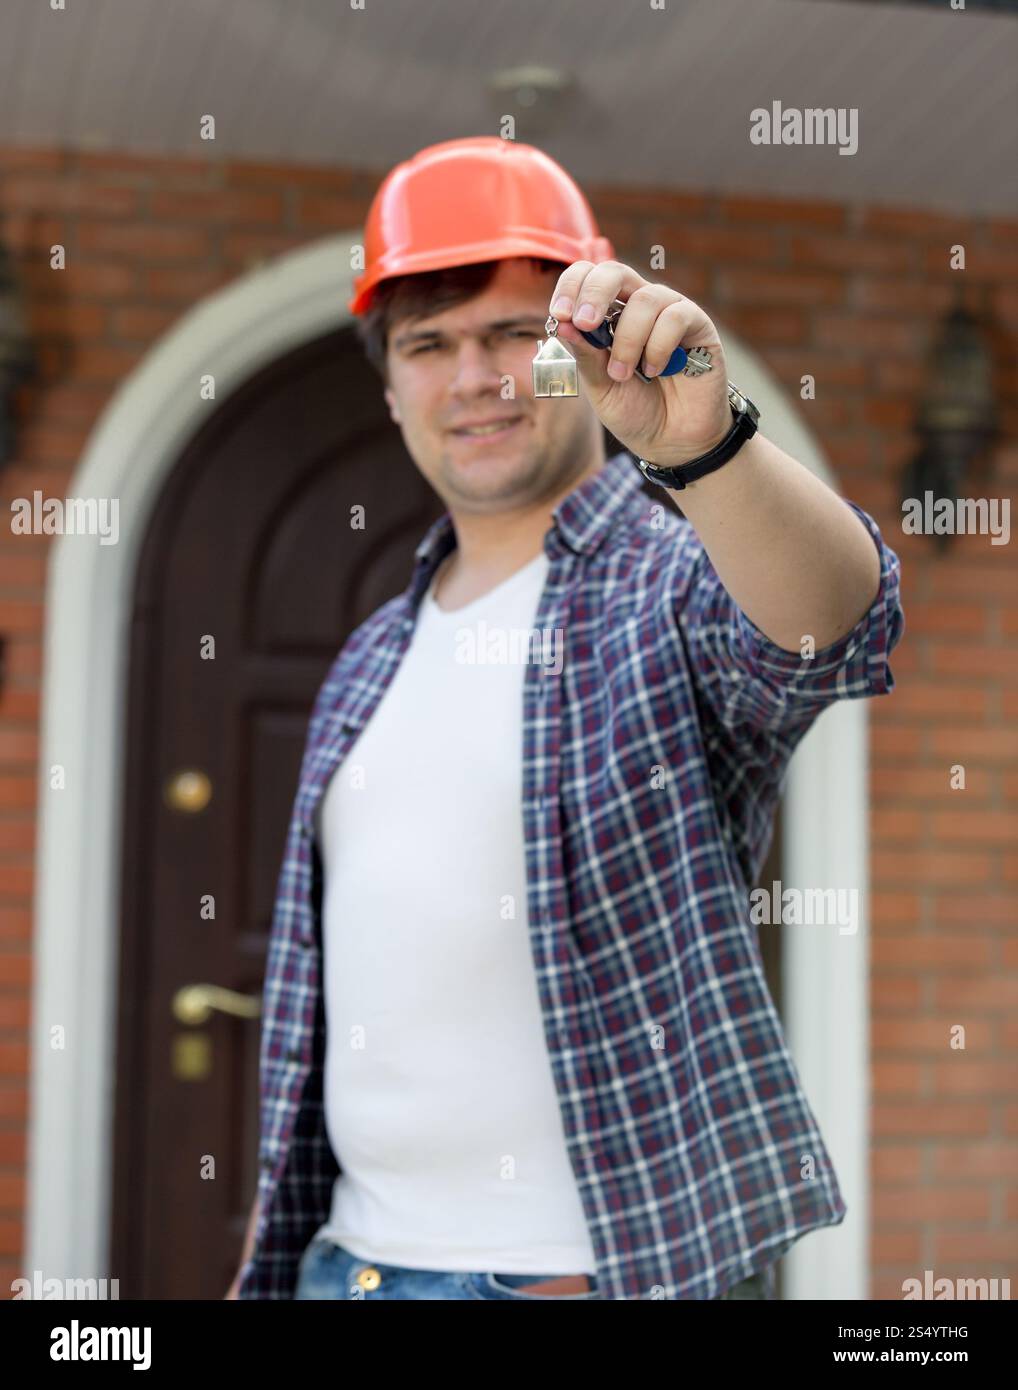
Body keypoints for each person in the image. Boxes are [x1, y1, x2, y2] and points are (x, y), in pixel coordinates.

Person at [226, 135, 904, 1301]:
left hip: (562, 1280)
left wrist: (709, 447)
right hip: (345, 1263)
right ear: (392, 389)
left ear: (578, 355)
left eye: (509, 334)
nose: (472, 376)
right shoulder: (368, 657)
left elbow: (833, 626)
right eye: (427, 344)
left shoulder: (669, 579)